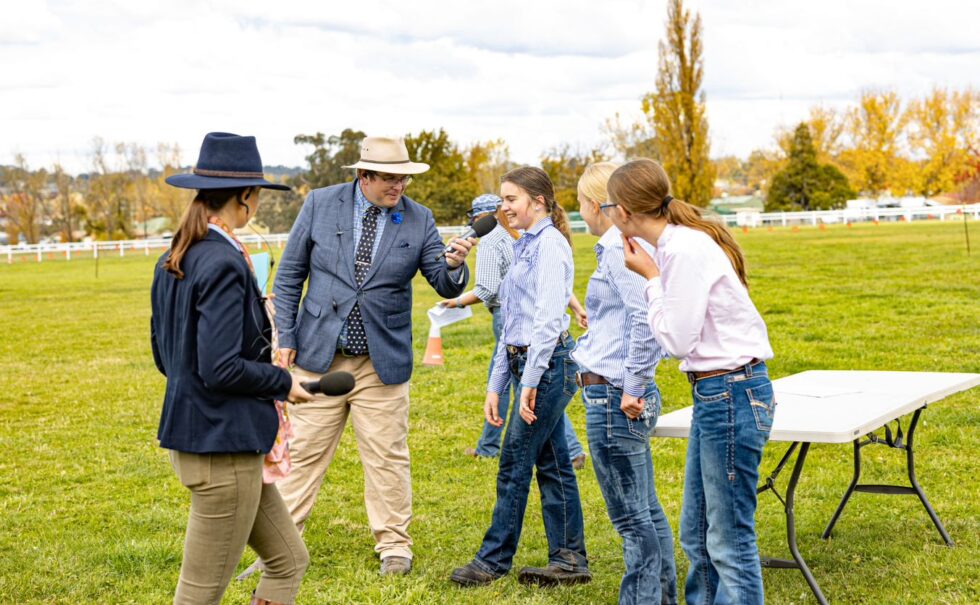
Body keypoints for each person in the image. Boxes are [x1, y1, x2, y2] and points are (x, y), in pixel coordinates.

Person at [268, 136, 474, 577]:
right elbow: (288, 276)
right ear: (364, 175)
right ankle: (280, 547)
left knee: (387, 455)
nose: (399, 185)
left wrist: (454, 264)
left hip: (382, 363)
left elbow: (442, 281)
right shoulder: (321, 204)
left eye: (404, 177)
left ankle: (395, 547)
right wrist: (285, 333)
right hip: (319, 357)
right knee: (302, 454)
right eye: (390, 177)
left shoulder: (420, 219)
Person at [150, 132, 313, 605]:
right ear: (245, 197)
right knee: (199, 595)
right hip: (223, 448)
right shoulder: (222, 260)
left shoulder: (174, 256)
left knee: (288, 560)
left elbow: (167, 356)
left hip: (209, 439)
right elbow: (220, 368)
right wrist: (284, 382)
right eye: (257, 193)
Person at [609, 158, 776, 605]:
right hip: (719, 392)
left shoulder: (680, 252)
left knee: (727, 539)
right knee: (698, 533)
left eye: (609, 207)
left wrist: (650, 281)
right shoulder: (677, 245)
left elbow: (679, 340)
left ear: (624, 211)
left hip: (731, 393)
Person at [450, 167, 590, 588]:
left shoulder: (549, 247)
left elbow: (547, 322)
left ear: (538, 202)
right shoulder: (524, 246)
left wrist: (528, 383)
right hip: (525, 362)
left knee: (513, 462)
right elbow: (512, 321)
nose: (504, 208)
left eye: (511, 199)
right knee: (553, 463)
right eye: (503, 200)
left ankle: (492, 560)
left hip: (545, 365)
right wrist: (497, 384)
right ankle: (568, 560)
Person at [571, 162, 677, 604]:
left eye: (579, 203)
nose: (579, 212)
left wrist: (633, 384)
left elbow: (643, 319)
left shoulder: (617, 249)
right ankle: (665, 596)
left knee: (632, 519)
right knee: (646, 510)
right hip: (618, 389)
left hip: (615, 394)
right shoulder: (620, 247)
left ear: (597, 206)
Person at [442, 194, 588, 467]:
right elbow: (551, 283)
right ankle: (489, 445)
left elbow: (487, 289)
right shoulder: (524, 237)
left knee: (526, 385)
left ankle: (570, 449)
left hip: (508, 318)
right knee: (526, 385)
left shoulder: (492, 242)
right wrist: (577, 307)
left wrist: (458, 300)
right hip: (531, 317)